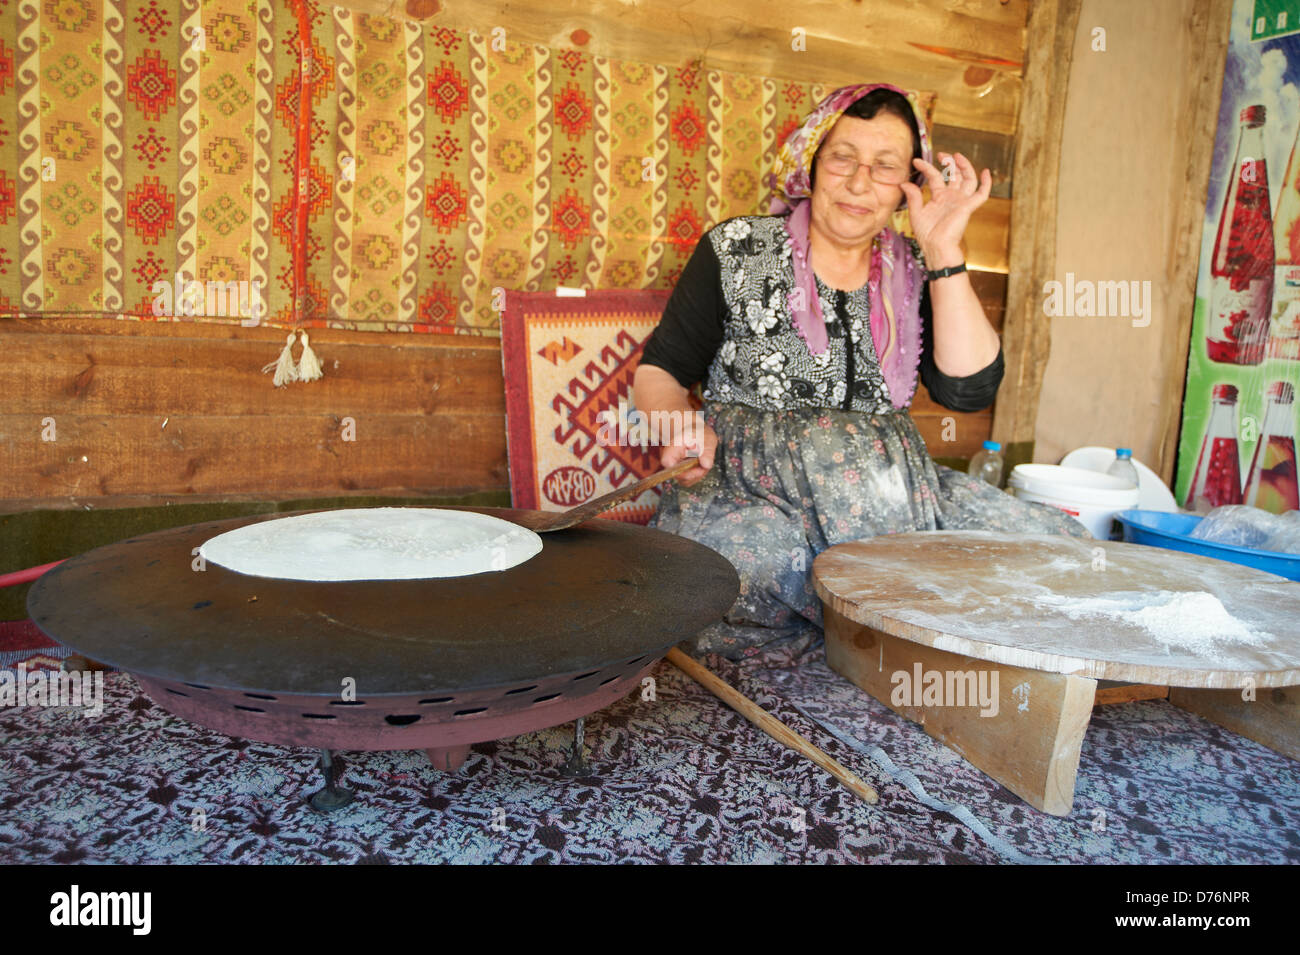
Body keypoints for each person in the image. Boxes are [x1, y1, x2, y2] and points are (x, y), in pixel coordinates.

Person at [633, 82, 1090, 659]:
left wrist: (945, 251)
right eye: (843, 157)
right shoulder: (737, 247)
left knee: (1058, 547)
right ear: (813, 162)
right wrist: (681, 427)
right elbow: (661, 371)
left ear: (907, 186)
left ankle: (888, 628)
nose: (858, 183)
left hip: (897, 501)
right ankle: (886, 636)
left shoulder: (919, 266)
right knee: (748, 570)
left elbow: (969, 390)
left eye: (884, 167)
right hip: (753, 493)